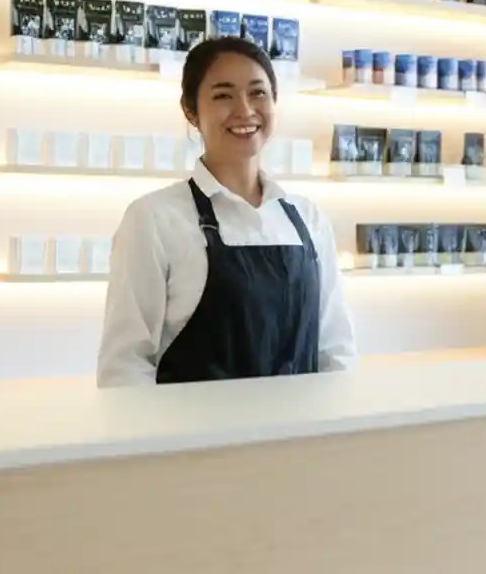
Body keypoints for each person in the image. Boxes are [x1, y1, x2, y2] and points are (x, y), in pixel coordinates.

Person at [98, 37, 357, 386]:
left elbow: (335, 349)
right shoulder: (154, 219)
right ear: (191, 111)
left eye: (258, 93)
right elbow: (126, 366)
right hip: (194, 438)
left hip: (299, 436)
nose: (245, 110)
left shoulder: (306, 219)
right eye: (223, 95)